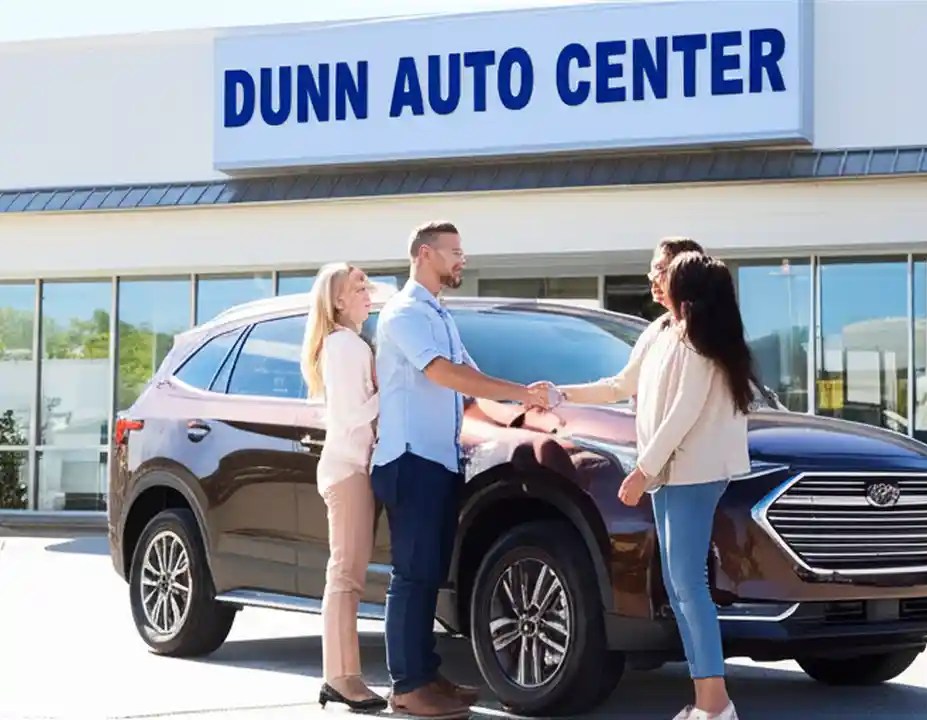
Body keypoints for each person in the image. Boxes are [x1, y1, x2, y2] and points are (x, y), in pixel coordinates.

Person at [558, 247, 755, 720]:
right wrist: (562, 393)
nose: (656, 278)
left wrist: (641, 472)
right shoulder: (668, 334)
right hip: (675, 474)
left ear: (686, 289)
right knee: (681, 586)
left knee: (689, 586)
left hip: (692, 474)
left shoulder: (697, 345)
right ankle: (707, 699)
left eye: (665, 273)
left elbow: (680, 417)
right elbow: (622, 386)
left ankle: (715, 704)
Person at [372, 220, 553, 719]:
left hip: (439, 460)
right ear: (424, 254)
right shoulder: (405, 312)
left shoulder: (439, 316)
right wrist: (520, 391)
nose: (462, 259)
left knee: (429, 572)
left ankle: (427, 675)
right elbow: (443, 374)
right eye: (454, 251)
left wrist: (528, 418)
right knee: (411, 575)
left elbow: (472, 389)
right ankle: (407, 686)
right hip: (410, 461)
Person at [300, 262, 387, 714]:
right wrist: (391, 388)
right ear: (337, 300)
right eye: (358, 287)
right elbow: (353, 416)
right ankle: (341, 677)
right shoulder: (343, 345)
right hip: (348, 469)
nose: (367, 292)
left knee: (348, 574)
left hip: (352, 469)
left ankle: (343, 675)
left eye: (367, 285)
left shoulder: (350, 344)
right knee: (346, 575)